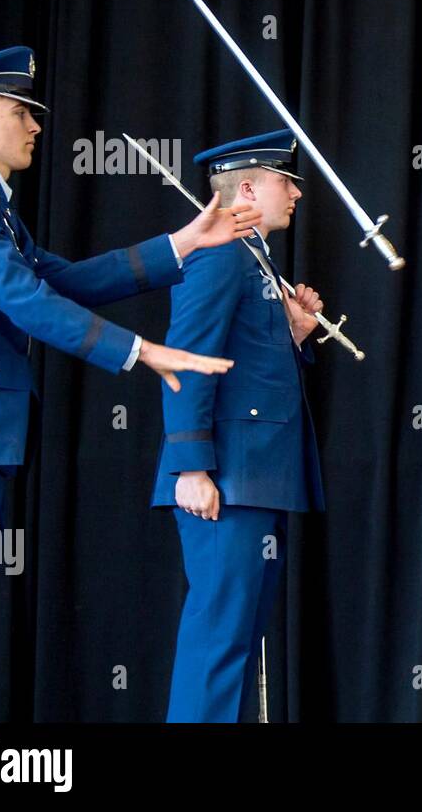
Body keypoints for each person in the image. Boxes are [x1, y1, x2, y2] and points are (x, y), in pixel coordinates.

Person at [0, 46, 259, 721]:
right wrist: (139, 351)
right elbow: (18, 291)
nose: (36, 127)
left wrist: (183, 243)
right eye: (22, 112)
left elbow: (62, 279)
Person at [152, 130, 326, 722]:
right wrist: (191, 465)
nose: (297, 192)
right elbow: (185, 359)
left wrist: (295, 335)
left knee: (239, 639)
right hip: (225, 477)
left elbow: (249, 361)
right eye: (286, 180)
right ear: (247, 187)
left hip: (257, 474)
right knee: (219, 642)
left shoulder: (255, 257)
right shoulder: (221, 254)